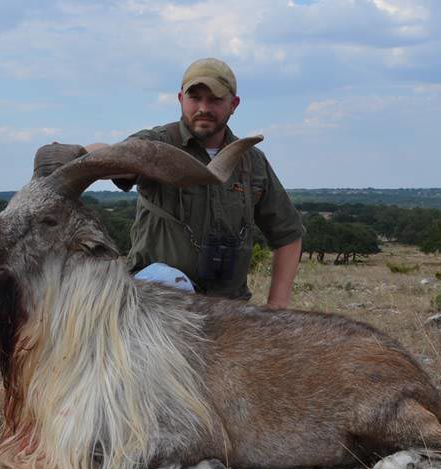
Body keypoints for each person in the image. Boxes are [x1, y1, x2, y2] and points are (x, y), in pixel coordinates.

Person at [87, 58, 303, 308]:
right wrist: (78, 154)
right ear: (181, 99)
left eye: (215, 100)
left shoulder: (251, 161)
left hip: (229, 309)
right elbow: (111, 156)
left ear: (234, 105)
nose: (203, 107)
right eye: (195, 98)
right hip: (157, 305)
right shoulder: (156, 144)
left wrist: (276, 306)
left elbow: (289, 234)